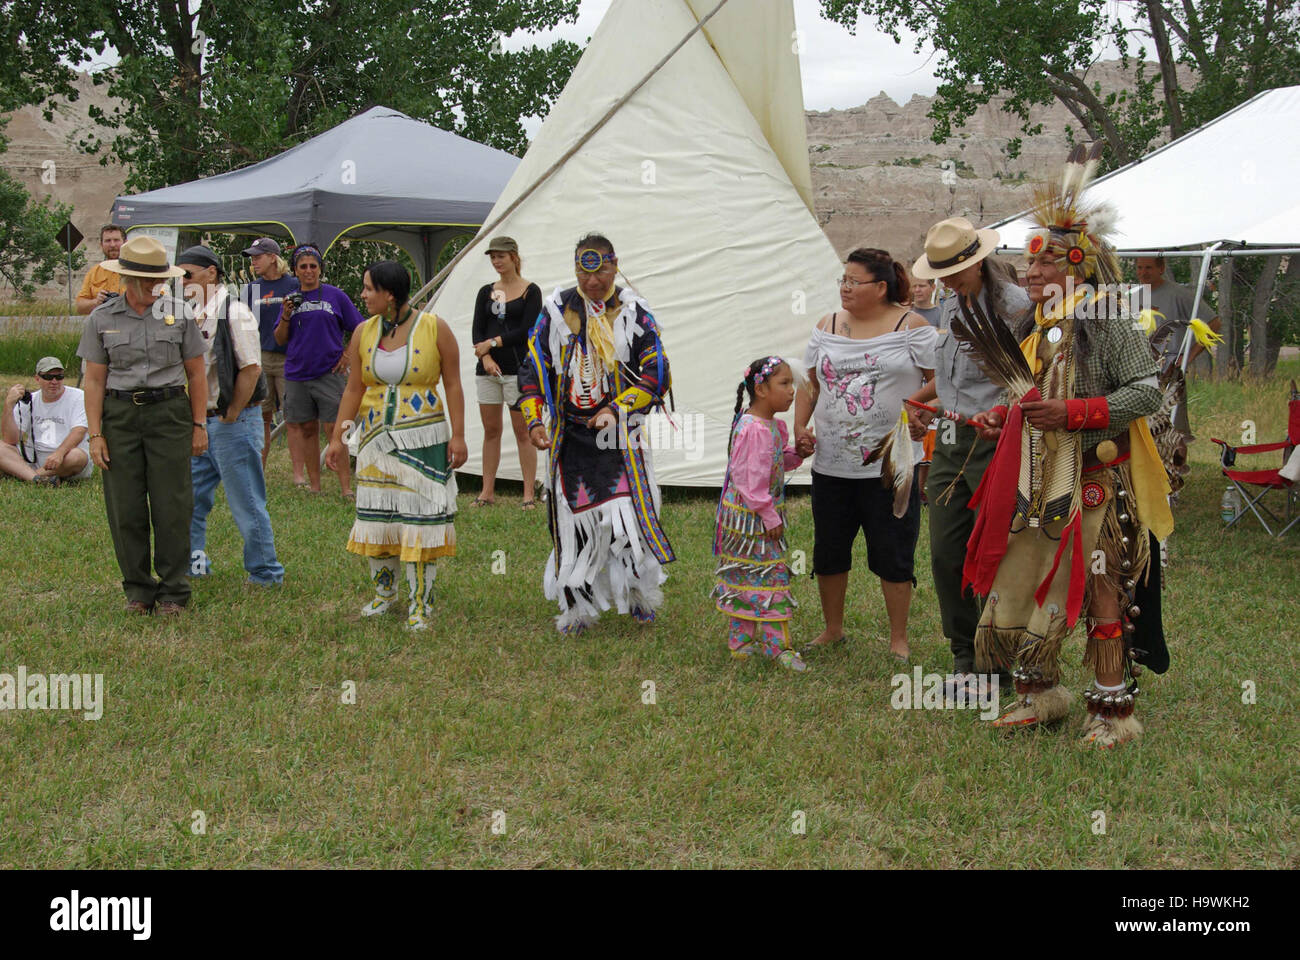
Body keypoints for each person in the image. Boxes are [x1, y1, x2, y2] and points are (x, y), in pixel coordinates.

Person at [964, 146, 1174, 747]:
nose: (1028, 276)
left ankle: (1113, 716)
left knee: (1102, 588)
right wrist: (1002, 418)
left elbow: (1147, 391)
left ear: (1076, 270)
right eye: (1027, 267)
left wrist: (1077, 413)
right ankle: (1041, 694)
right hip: (1038, 479)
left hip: (1097, 480)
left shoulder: (1106, 318)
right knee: (1029, 579)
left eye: (1041, 268)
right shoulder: (1036, 325)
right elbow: (1030, 395)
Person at [517, 233, 675, 635]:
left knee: (631, 520)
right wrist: (535, 420)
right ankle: (577, 607)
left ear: (615, 264)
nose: (593, 281)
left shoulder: (634, 312)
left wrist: (616, 409)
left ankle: (638, 594)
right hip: (571, 439)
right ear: (575, 269)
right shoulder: (555, 311)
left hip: (621, 437)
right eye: (584, 272)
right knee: (576, 524)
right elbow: (532, 372)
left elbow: (657, 372)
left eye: (602, 269)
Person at [794, 248, 937, 660]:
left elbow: (941, 379)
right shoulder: (828, 324)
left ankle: (898, 638)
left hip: (891, 462)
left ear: (880, 287)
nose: (844, 287)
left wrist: (916, 405)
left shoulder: (912, 326)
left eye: (854, 281)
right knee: (829, 550)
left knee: (893, 550)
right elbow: (810, 383)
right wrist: (800, 425)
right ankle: (832, 629)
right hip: (831, 463)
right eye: (843, 279)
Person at [910, 217, 1030, 696]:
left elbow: (1030, 378)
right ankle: (964, 651)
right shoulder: (949, 305)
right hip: (951, 441)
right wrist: (925, 407)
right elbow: (953, 380)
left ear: (977, 263)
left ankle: (997, 659)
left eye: (953, 272)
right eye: (939, 274)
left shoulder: (1016, 308)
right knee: (945, 551)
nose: (945, 282)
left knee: (995, 552)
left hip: (998, 441)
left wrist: (1000, 414)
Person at [326, 261, 466, 631]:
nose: (363, 295)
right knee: (378, 517)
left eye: (369, 288)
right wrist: (339, 439)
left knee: (419, 520)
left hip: (422, 439)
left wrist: (459, 435)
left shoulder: (435, 328)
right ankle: (384, 595)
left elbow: (453, 383)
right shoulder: (363, 332)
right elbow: (355, 388)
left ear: (390, 294)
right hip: (375, 440)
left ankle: (421, 603)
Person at [77, 234, 209, 615]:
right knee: (126, 507)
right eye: (150, 281)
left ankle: (173, 591)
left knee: (172, 505)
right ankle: (137, 589)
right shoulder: (102, 318)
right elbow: (94, 381)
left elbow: (196, 375)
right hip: (119, 417)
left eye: (161, 280)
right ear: (127, 280)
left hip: (168, 414)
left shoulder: (180, 313)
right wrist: (96, 433)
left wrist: (198, 424)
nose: (157, 287)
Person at [178, 245, 285, 588]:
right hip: (203, 422)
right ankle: (194, 564)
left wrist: (232, 414)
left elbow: (252, 369)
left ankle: (265, 573)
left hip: (231, 422)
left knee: (247, 502)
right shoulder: (197, 312)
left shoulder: (235, 312)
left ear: (211, 273)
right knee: (190, 500)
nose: (181, 282)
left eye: (187, 275)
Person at [713, 356, 812, 673]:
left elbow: (773, 463)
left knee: (747, 574)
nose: (792, 391)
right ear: (761, 388)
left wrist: (797, 453)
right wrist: (771, 517)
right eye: (784, 384)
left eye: (792, 384)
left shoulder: (766, 425)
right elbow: (748, 481)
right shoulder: (755, 429)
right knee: (769, 577)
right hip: (751, 518)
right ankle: (776, 647)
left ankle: (741, 643)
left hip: (748, 515)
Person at [274, 244, 362, 497]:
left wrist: (347, 355)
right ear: (295, 271)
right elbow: (280, 339)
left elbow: (359, 328)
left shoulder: (335, 296)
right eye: (303, 267)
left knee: (337, 429)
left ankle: (346, 488)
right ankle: (315, 486)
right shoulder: (290, 299)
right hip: (297, 373)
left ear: (320, 269)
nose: (309, 271)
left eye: (313, 266)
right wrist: (286, 315)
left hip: (329, 373)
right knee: (306, 429)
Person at [470, 237, 542, 508]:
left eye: (501, 256)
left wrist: (493, 343)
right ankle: (487, 492)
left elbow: (526, 330)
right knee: (491, 430)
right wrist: (485, 355)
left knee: (522, 431)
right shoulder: (486, 291)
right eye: (493, 257)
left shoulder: (530, 291)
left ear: (514, 257)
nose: (497, 261)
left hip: (518, 369)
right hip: (487, 369)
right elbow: (477, 329)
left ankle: (527, 495)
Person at [240, 237, 299, 474]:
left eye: (258, 257)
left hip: (288, 357)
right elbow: (242, 325)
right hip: (260, 358)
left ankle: (298, 474)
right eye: (252, 257)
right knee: (261, 417)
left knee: (293, 417)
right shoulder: (251, 289)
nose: (254, 262)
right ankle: (258, 470)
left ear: (273, 257)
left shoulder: (293, 284)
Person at [1, 356, 93, 484]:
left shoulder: (78, 396)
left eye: (59, 377)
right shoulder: (29, 400)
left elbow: (79, 431)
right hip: (34, 458)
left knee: (77, 456)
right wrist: (8, 405)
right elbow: (10, 440)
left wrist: (59, 454)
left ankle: (28, 476)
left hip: (65, 458)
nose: (54, 381)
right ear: (37, 378)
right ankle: (38, 479)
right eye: (48, 377)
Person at [1133, 256, 1221, 377]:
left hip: (1170, 369)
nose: (1143, 272)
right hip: (1139, 368)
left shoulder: (1180, 294)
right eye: (1139, 268)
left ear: (1161, 268)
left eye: (1148, 267)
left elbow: (1214, 323)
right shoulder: (1134, 296)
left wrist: (1188, 356)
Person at [75, 225, 125, 315]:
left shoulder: (138, 271)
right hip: (103, 326)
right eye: (108, 241)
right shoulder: (93, 272)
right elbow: (80, 308)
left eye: (116, 240)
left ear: (125, 242)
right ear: (101, 245)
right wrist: (96, 302)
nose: (112, 245)